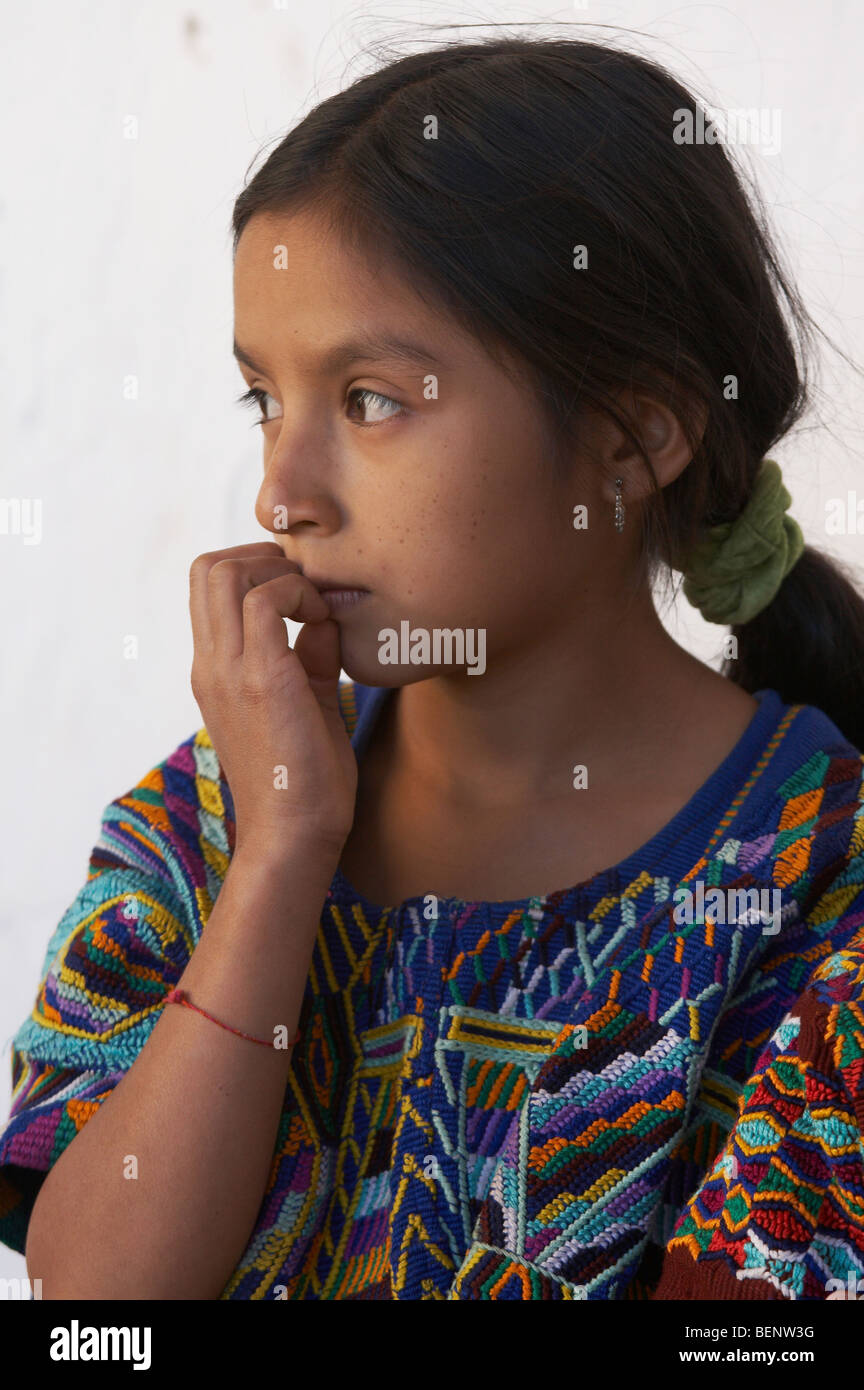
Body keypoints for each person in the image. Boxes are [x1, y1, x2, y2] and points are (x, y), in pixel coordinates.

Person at [2, 36, 864, 1302]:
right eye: (264, 401)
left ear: (641, 432)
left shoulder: (817, 892)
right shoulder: (206, 824)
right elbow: (97, 1311)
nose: (280, 492)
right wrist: (279, 860)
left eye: (370, 400)